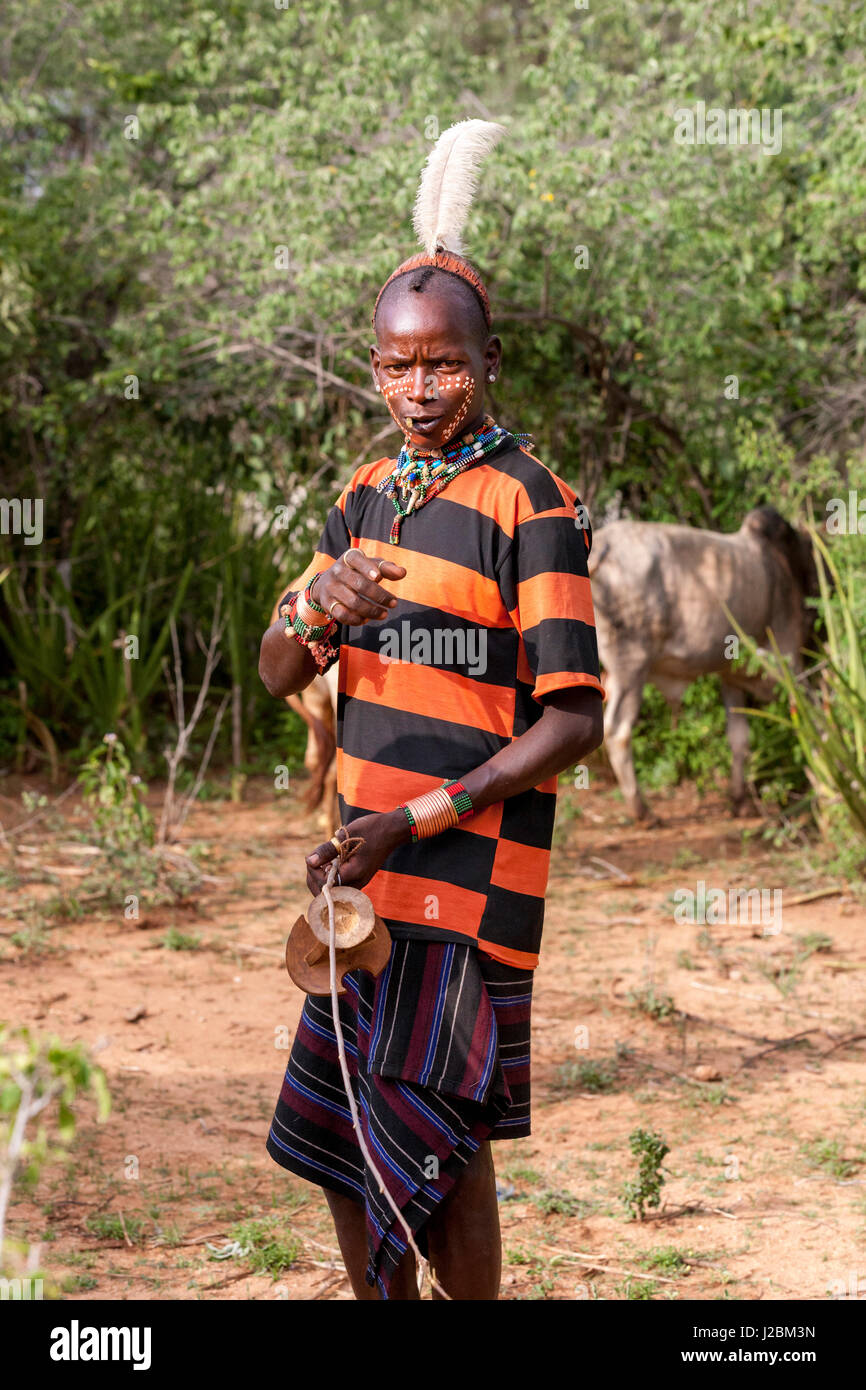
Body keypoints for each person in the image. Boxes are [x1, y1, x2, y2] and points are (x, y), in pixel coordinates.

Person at [258, 121, 605, 1300]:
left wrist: (415, 819)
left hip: (470, 881)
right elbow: (275, 672)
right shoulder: (359, 495)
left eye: (441, 364)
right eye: (397, 366)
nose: (419, 389)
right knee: (347, 1143)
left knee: (446, 1156)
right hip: (359, 876)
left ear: (484, 361)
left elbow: (573, 720)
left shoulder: (531, 504)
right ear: (373, 367)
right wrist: (319, 610)